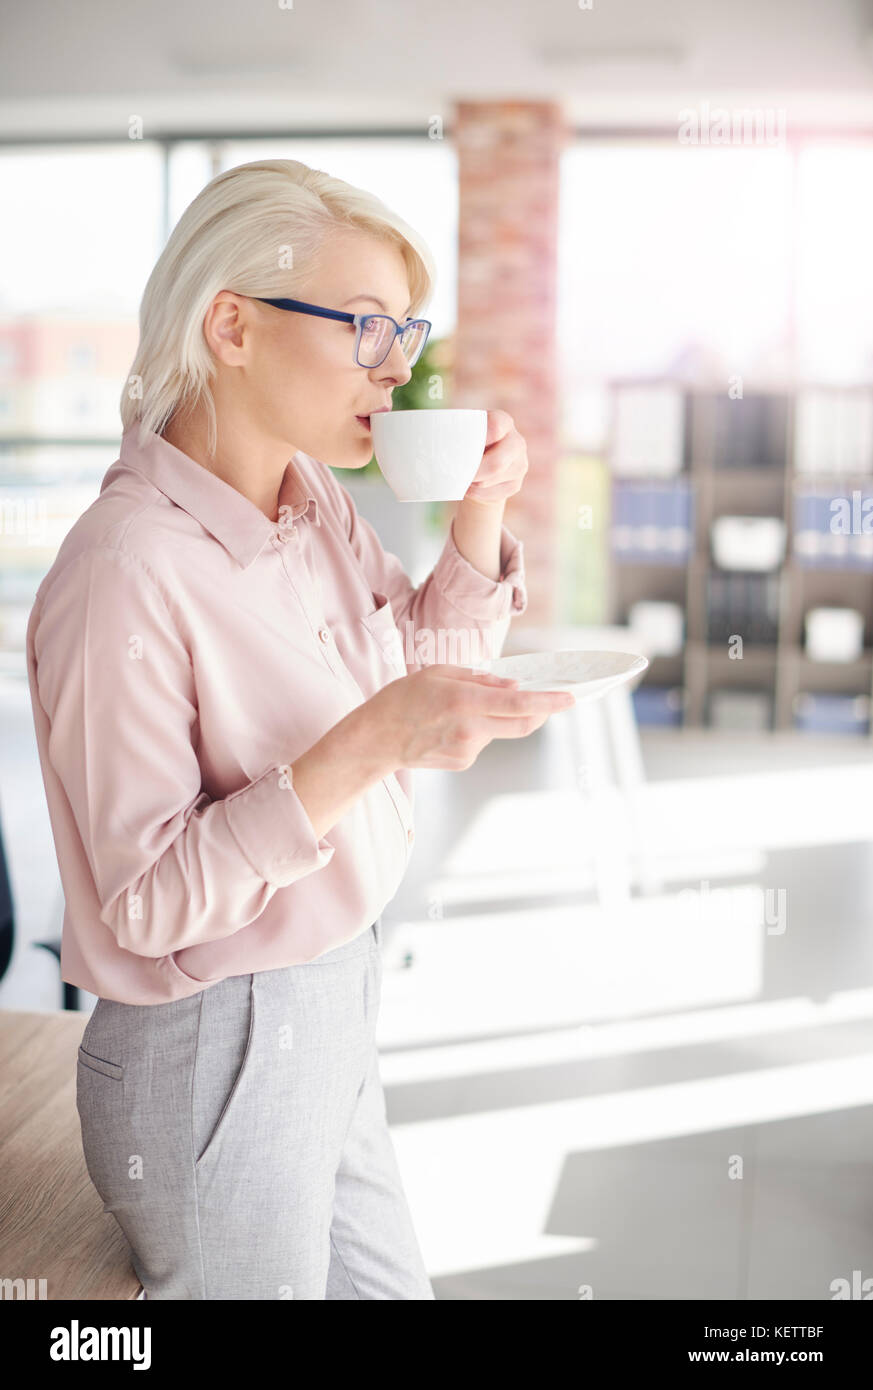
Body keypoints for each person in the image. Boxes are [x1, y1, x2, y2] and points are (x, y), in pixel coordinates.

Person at [25, 158, 575, 1300]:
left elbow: (425, 670)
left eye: (406, 331)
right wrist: (363, 747)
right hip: (214, 1047)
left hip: (334, 1003)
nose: (402, 366)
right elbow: (145, 907)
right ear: (231, 324)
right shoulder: (125, 571)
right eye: (370, 327)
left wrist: (480, 512)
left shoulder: (310, 501)